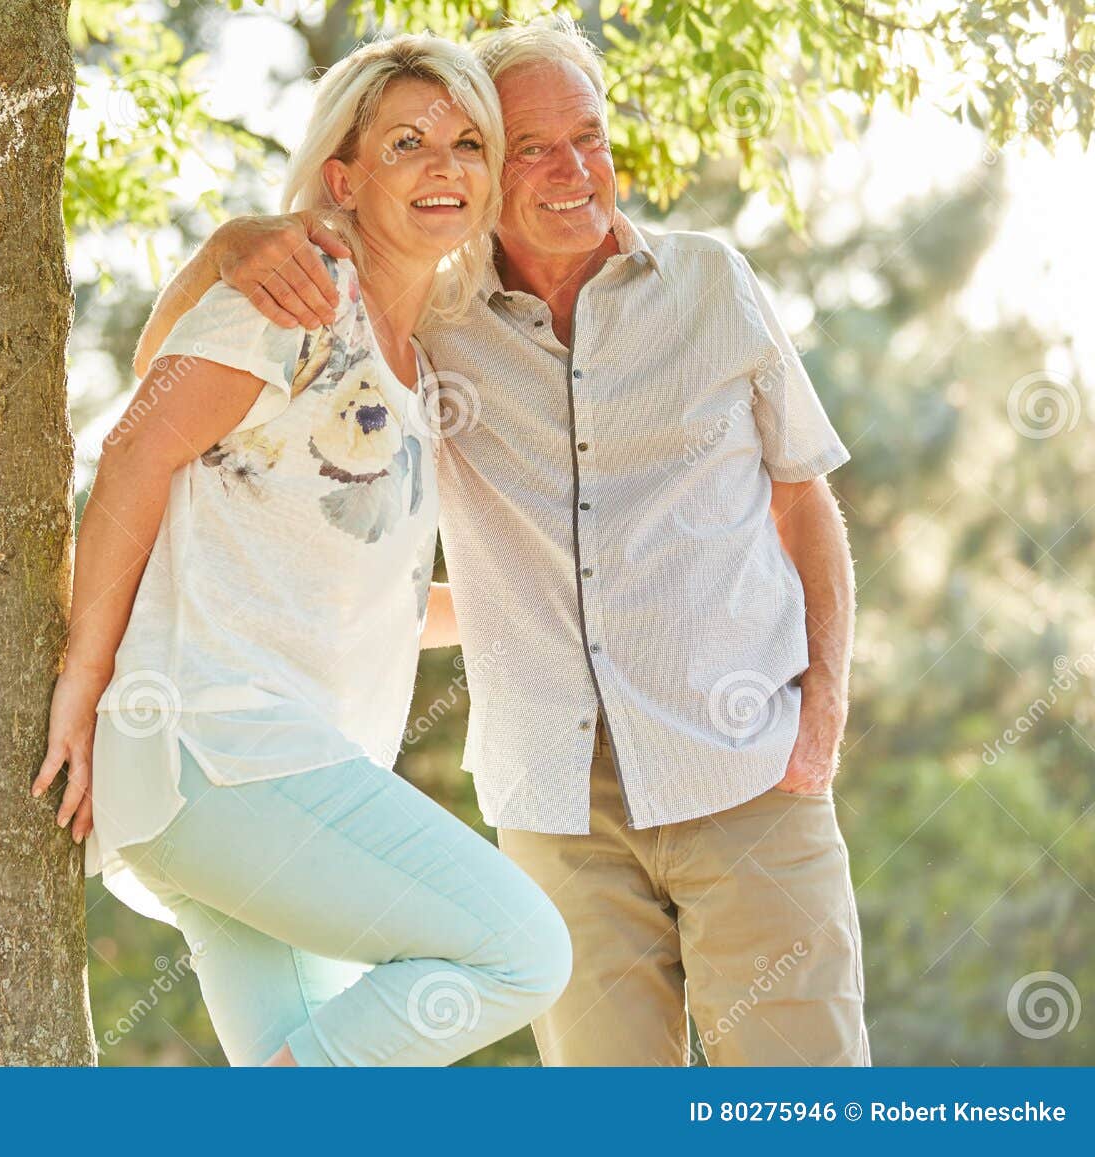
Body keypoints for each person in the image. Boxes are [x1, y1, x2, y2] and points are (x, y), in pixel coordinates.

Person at [132, 16, 870, 1067]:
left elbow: (803, 501)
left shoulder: (714, 283)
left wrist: (824, 706)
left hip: (748, 771)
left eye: (589, 137)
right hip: (555, 805)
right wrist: (222, 249)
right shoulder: (430, 316)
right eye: (531, 147)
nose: (574, 170)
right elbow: (167, 382)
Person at [32, 32, 572, 1068]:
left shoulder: (414, 366)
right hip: (221, 748)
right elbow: (139, 441)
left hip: (260, 778)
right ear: (343, 177)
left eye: (468, 143)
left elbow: (373, 603)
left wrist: (555, 612)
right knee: (520, 952)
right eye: (407, 142)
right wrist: (82, 679)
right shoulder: (297, 298)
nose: (444, 165)